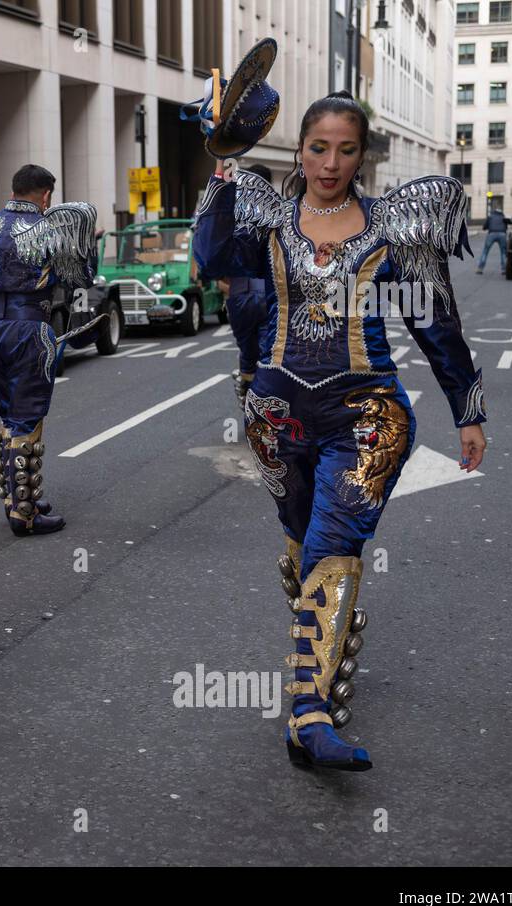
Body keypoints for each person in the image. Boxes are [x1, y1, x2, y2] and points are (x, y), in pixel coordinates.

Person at [193, 91, 487, 772]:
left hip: (368, 417)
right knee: (302, 548)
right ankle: (326, 639)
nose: (330, 163)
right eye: (318, 147)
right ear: (299, 149)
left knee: (334, 544)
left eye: (346, 149)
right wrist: (221, 165)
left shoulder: (396, 227)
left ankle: (309, 714)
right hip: (276, 420)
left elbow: (436, 322)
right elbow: (209, 261)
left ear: (363, 155)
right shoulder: (265, 220)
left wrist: (467, 411)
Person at [0, 164, 97, 535]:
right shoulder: (50, 228)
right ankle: (24, 515)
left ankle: (17, 497)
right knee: (28, 418)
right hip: (29, 327)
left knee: (9, 416)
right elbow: (81, 277)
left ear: (13, 190)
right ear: (45, 195)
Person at [220, 163, 272, 403]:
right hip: (267, 292)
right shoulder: (278, 211)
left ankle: (247, 394)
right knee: (268, 350)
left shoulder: (233, 212)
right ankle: (264, 398)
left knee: (247, 351)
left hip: (238, 291)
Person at [475, 205, 507, 275]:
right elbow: (506, 227)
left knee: (485, 251)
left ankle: (480, 268)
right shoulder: (503, 217)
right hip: (502, 234)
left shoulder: (491, 216)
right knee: (503, 252)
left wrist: (486, 228)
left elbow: (485, 226)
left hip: (492, 234)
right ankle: (504, 269)